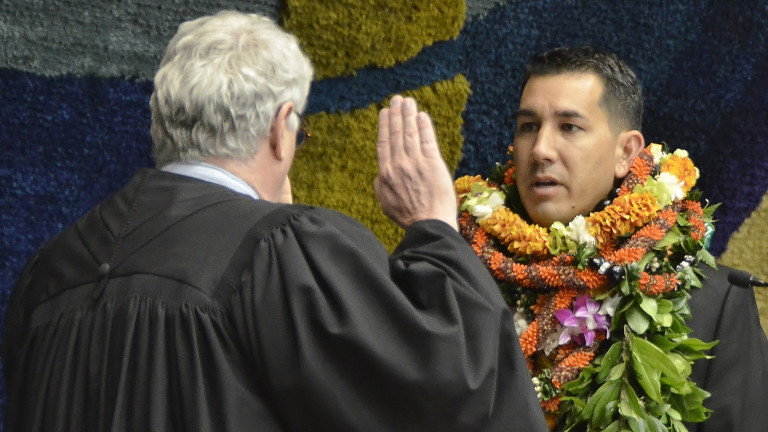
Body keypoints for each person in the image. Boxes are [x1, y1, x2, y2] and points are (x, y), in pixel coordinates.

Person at [1, 10, 550, 432]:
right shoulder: (281, 252)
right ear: (280, 126)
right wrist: (434, 230)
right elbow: (449, 388)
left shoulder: (50, 270)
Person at [458, 46, 768, 431]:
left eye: (569, 127)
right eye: (528, 126)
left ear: (625, 153)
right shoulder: (464, 281)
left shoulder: (714, 302)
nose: (539, 149)